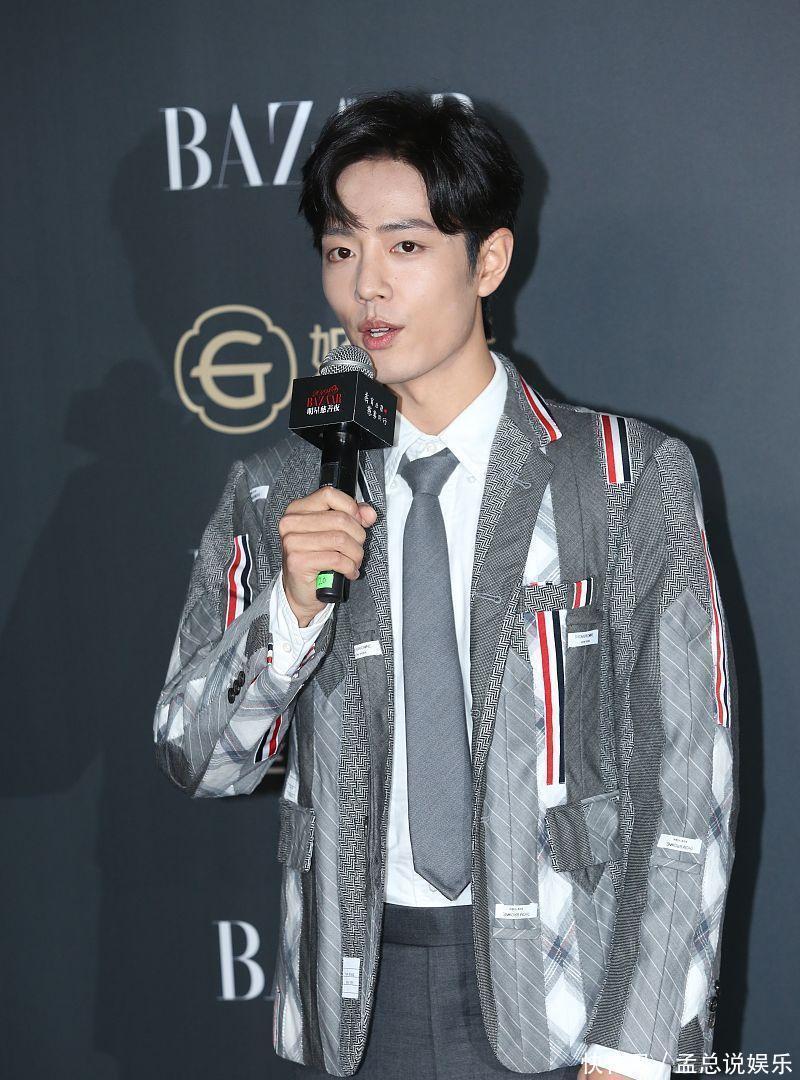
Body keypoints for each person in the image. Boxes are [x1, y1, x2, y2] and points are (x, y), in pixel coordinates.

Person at [153, 90, 738, 1080]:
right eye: (341, 249)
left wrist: (638, 1045)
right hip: (358, 995)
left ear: (489, 261)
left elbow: (686, 781)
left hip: (568, 993)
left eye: (406, 246)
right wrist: (288, 612)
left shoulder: (621, 477)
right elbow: (199, 760)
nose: (367, 285)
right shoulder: (278, 489)